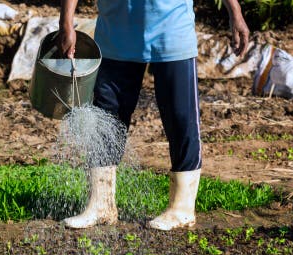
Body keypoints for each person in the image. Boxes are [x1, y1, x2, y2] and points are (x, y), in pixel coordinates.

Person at [59, 0, 250, 230]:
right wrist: (66, 21)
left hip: (171, 29)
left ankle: (182, 208)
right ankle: (101, 204)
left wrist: (235, 12)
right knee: (105, 118)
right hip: (116, 30)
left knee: (180, 118)